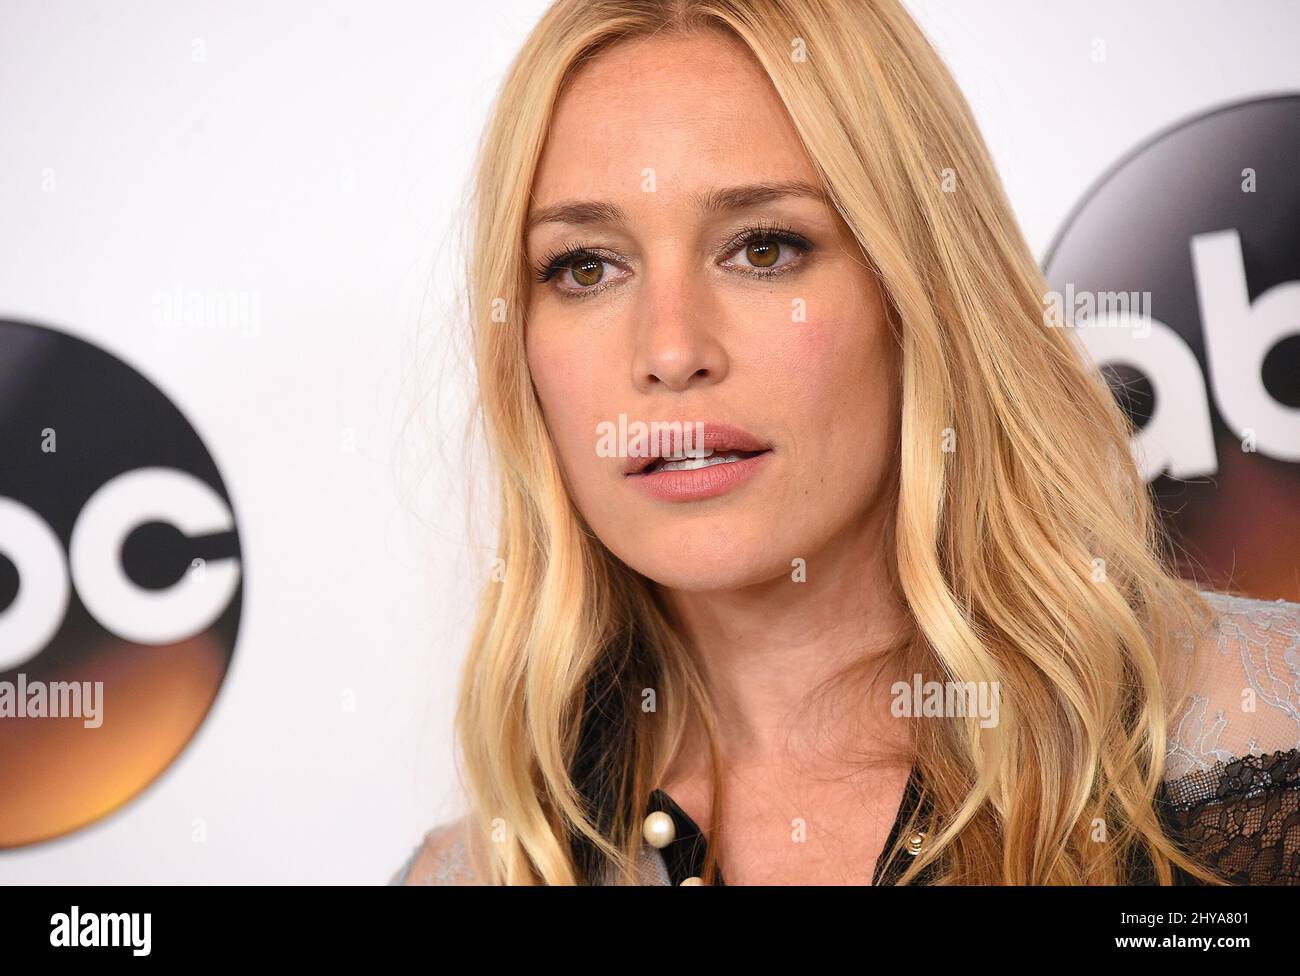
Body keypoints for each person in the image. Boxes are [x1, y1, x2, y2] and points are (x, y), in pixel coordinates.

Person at [392, 0, 1300, 885]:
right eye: (586, 267)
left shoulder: (1262, 734)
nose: (670, 351)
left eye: (763, 249)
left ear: (922, 290)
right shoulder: (477, 871)